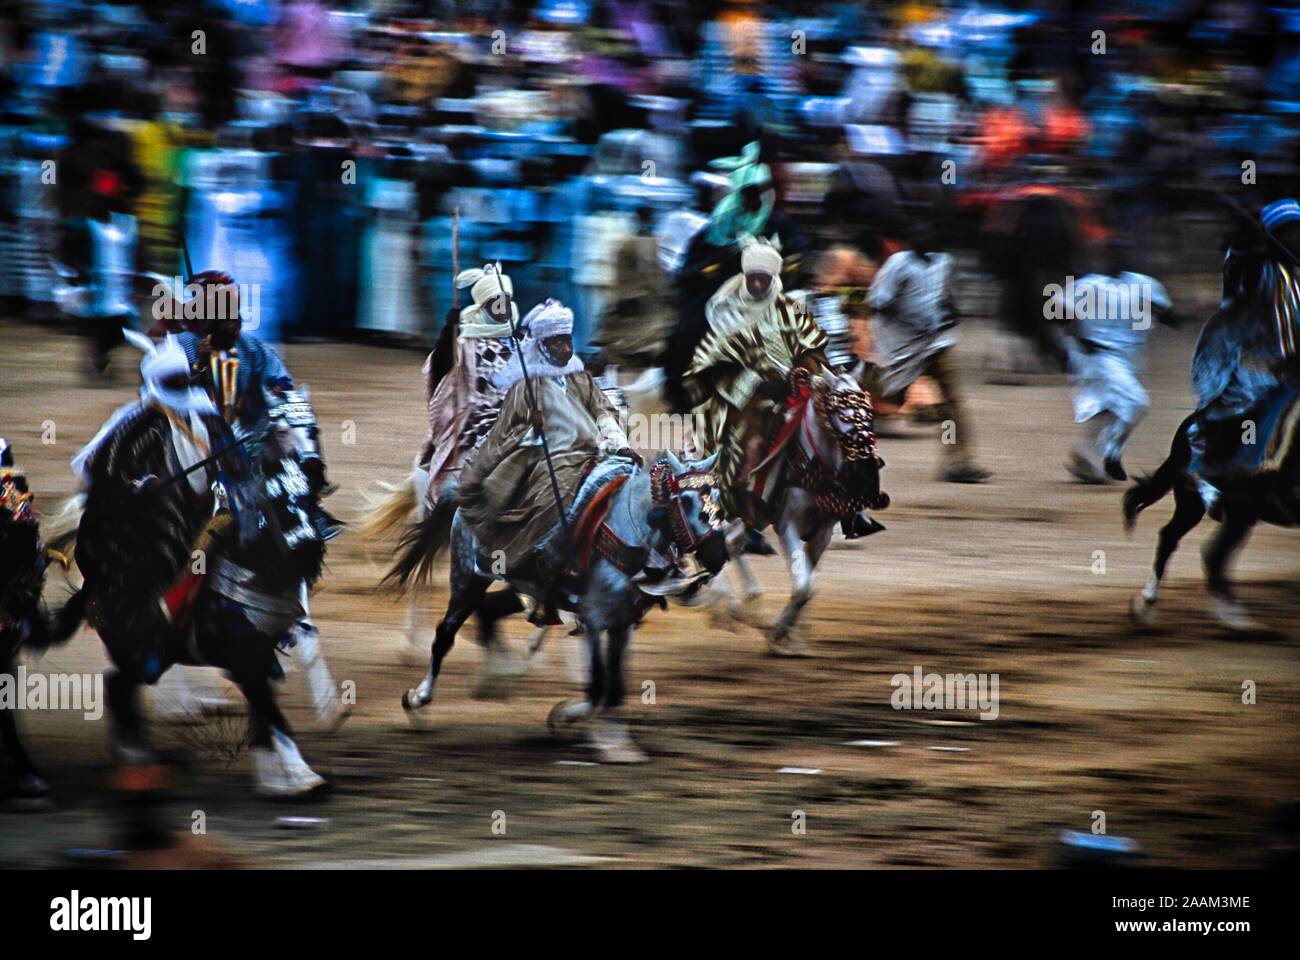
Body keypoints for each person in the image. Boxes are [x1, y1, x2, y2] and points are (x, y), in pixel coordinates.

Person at [173, 271, 345, 729]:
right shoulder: (186, 349)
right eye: (224, 311)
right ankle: (179, 613)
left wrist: (304, 447)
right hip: (202, 462)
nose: (234, 319)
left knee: (300, 517)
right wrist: (193, 371)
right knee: (207, 527)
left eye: (235, 310)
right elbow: (166, 396)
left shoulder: (254, 351)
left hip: (255, 460)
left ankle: (285, 614)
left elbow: (286, 392)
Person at [457, 301, 632, 623]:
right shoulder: (526, 384)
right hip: (542, 457)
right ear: (542, 344)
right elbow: (505, 431)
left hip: (589, 453)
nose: (566, 348)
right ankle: (541, 573)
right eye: (557, 342)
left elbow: (602, 409)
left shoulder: (578, 375)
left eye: (568, 340)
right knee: (558, 500)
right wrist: (531, 428)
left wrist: (618, 442)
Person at [684, 236, 827, 523]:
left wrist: (804, 371)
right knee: (745, 443)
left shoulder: (794, 307)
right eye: (753, 279)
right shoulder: (728, 310)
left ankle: (846, 505)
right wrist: (753, 383)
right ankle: (734, 508)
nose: (759, 285)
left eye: (764, 279)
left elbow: (814, 347)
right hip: (743, 397)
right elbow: (705, 364)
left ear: (774, 277)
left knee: (838, 425)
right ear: (745, 276)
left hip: (795, 386)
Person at [1187, 198, 1300, 484]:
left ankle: (1240, 471)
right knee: (1225, 415)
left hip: (1286, 364)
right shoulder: (1258, 268)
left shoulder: (1295, 273)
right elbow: (1240, 270)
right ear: (1273, 236)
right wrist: (1245, 246)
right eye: (1288, 232)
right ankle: (1200, 473)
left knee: (1270, 419)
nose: (1296, 238)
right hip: (1241, 360)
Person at [867, 224, 991, 483]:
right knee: (883, 397)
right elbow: (879, 303)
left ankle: (958, 462)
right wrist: (909, 323)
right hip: (900, 347)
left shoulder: (942, 262)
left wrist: (948, 312)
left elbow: (943, 296)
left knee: (953, 400)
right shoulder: (899, 264)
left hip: (935, 343)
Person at [418, 263, 519, 509]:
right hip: (473, 426)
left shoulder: (522, 341)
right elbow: (439, 372)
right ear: (483, 306)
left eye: (506, 300)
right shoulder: (464, 343)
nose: (502, 306)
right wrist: (447, 335)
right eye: (495, 301)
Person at [1059, 270, 1174, 483]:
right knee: (1136, 403)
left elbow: (1169, 315)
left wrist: (1154, 309)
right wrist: (1079, 336)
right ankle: (1107, 454)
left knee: (1110, 408)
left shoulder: (1144, 285)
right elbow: (1057, 308)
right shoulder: (1090, 285)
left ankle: (1087, 456)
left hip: (1120, 359)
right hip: (1097, 356)